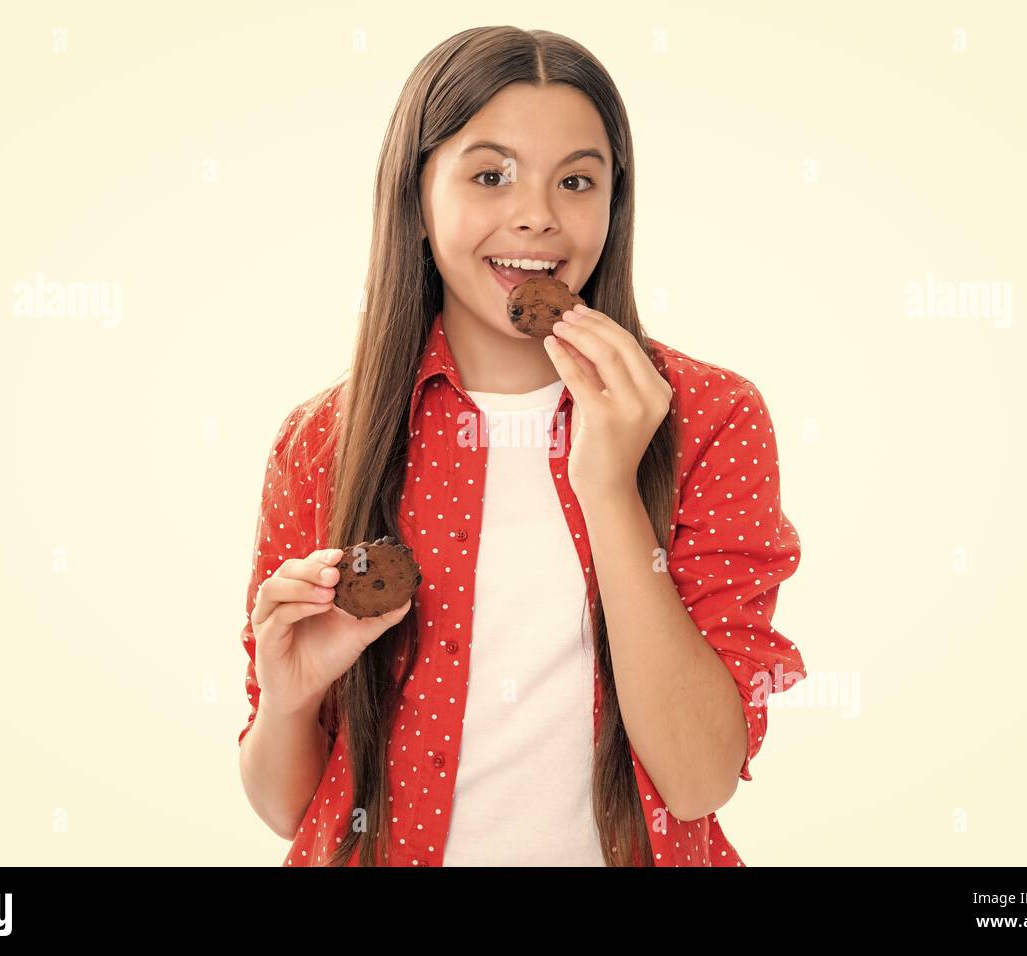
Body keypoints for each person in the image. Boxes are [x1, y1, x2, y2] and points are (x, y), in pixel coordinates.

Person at [237, 26, 805, 867]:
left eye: (577, 180)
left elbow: (696, 780)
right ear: (418, 200)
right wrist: (287, 700)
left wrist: (610, 488)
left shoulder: (711, 418)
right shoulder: (324, 440)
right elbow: (289, 810)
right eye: (491, 174)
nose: (538, 214)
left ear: (615, 203)